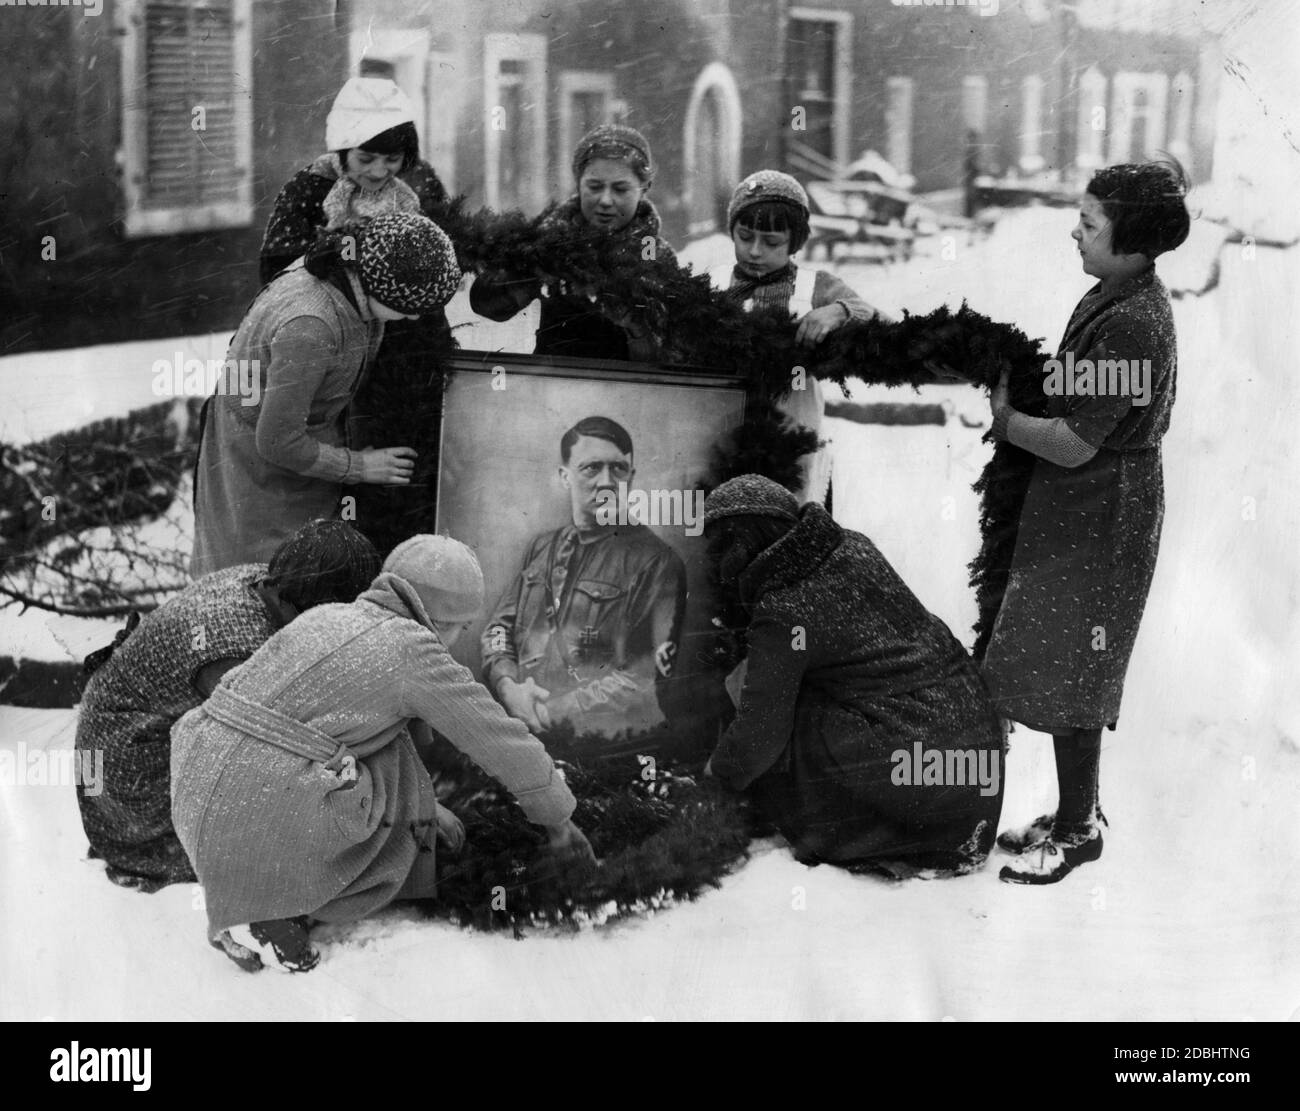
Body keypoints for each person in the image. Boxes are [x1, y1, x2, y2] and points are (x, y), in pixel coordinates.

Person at [171, 535, 594, 973]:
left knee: (363, 742)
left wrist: (429, 805)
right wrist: (558, 819)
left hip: (197, 782)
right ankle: (271, 913)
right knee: (392, 759)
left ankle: (260, 900)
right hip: (265, 797)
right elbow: (499, 739)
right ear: (443, 619)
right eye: (462, 627)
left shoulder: (328, 615)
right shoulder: (413, 648)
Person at [982, 159, 1190, 885]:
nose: (1075, 229)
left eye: (1090, 221)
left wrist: (1009, 423)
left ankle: (1078, 828)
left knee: (1078, 661)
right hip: (1082, 500)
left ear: (1132, 238)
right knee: (1066, 655)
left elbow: (1074, 440)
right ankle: (1080, 810)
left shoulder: (1135, 321)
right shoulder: (1111, 293)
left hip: (1105, 505)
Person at [701, 475, 1004, 874]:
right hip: (973, 769)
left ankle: (846, 832)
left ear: (738, 547)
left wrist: (715, 777)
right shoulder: (851, 545)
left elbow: (760, 734)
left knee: (768, 698)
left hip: (920, 781)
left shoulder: (785, 607)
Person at [74, 520, 380, 892]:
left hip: (125, 740)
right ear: (307, 606)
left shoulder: (269, 581)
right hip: (130, 786)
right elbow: (282, 757)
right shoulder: (233, 655)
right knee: (301, 835)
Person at [191, 211, 461, 577]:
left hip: (287, 461)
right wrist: (360, 467)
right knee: (265, 587)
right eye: (409, 310)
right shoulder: (311, 327)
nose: (413, 320)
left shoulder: (349, 276)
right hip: (260, 478)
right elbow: (277, 441)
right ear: (380, 289)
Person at [259, 77, 458, 557]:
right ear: (342, 148)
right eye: (366, 158)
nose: (378, 171)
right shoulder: (312, 188)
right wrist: (342, 249)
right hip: (338, 344)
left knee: (412, 457)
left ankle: (407, 551)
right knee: (354, 463)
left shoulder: (419, 185)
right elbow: (276, 268)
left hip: (408, 343)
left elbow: (443, 251)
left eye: (392, 160)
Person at [481, 416, 687, 743]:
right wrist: (507, 687)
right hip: (524, 734)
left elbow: (645, 678)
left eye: (618, 469)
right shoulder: (540, 547)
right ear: (565, 476)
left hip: (604, 747)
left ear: (631, 477)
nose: (606, 481)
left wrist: (551, 711)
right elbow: (498, 629)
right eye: (591, 468)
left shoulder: (656, 562)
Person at [706, 170, 891, 505]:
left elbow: (883, 324)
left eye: (772, 242)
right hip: (717, 442)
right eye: (745, 237)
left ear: (795, 241)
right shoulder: (712, 285)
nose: (756, 251)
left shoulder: (815, 287)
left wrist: (840, 311)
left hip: (792, 449)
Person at [469, 124, 675, 361]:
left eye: (620, 189)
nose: (606, 200)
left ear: (644, 188)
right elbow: (485, 306)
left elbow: (665, 362)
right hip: (550, 386)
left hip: (624, 393)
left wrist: (636, 327)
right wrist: (522, 281)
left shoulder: (655, 255)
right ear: (579, 182)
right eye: (595, 187)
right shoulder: (549, 241)